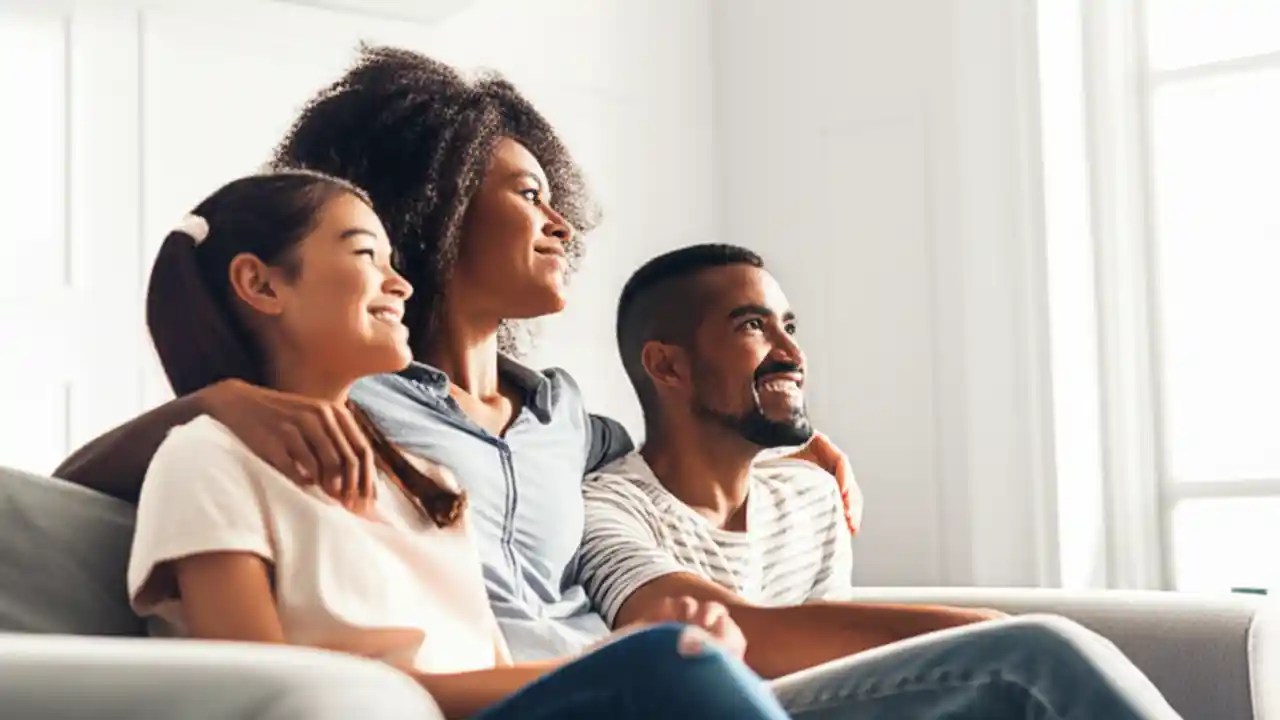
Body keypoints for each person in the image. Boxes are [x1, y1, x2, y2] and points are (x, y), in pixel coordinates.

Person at [59, 48, 1178, 718]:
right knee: (1031, 661)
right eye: (525, 193)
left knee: (1032, 659)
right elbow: (94, 487)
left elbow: (690, 447)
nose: (560, 222)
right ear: (431, 204)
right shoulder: (338, 418)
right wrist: (212, 402)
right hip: (587, 695)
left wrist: (787, 433)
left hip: (643, 685)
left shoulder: (567, 425)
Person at [130, 169, 787, 720]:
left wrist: (613, 658)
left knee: (696, 661)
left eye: (394, 262)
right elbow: (255, 694)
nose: (400, 284)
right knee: (674, 663)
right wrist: (629, 664)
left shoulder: (424, 481)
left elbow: (489, 671)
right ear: (262, 285)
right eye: (365, 255)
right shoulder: (207, 458)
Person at [578, 243, 1185, 719]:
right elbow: (713, 633)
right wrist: (995, 638)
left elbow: (839, 677)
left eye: (790, 326)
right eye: (752, 327)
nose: (792, 353)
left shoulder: (811, 495)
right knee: (1037, 657)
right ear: (668, 365)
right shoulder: (607, 508)